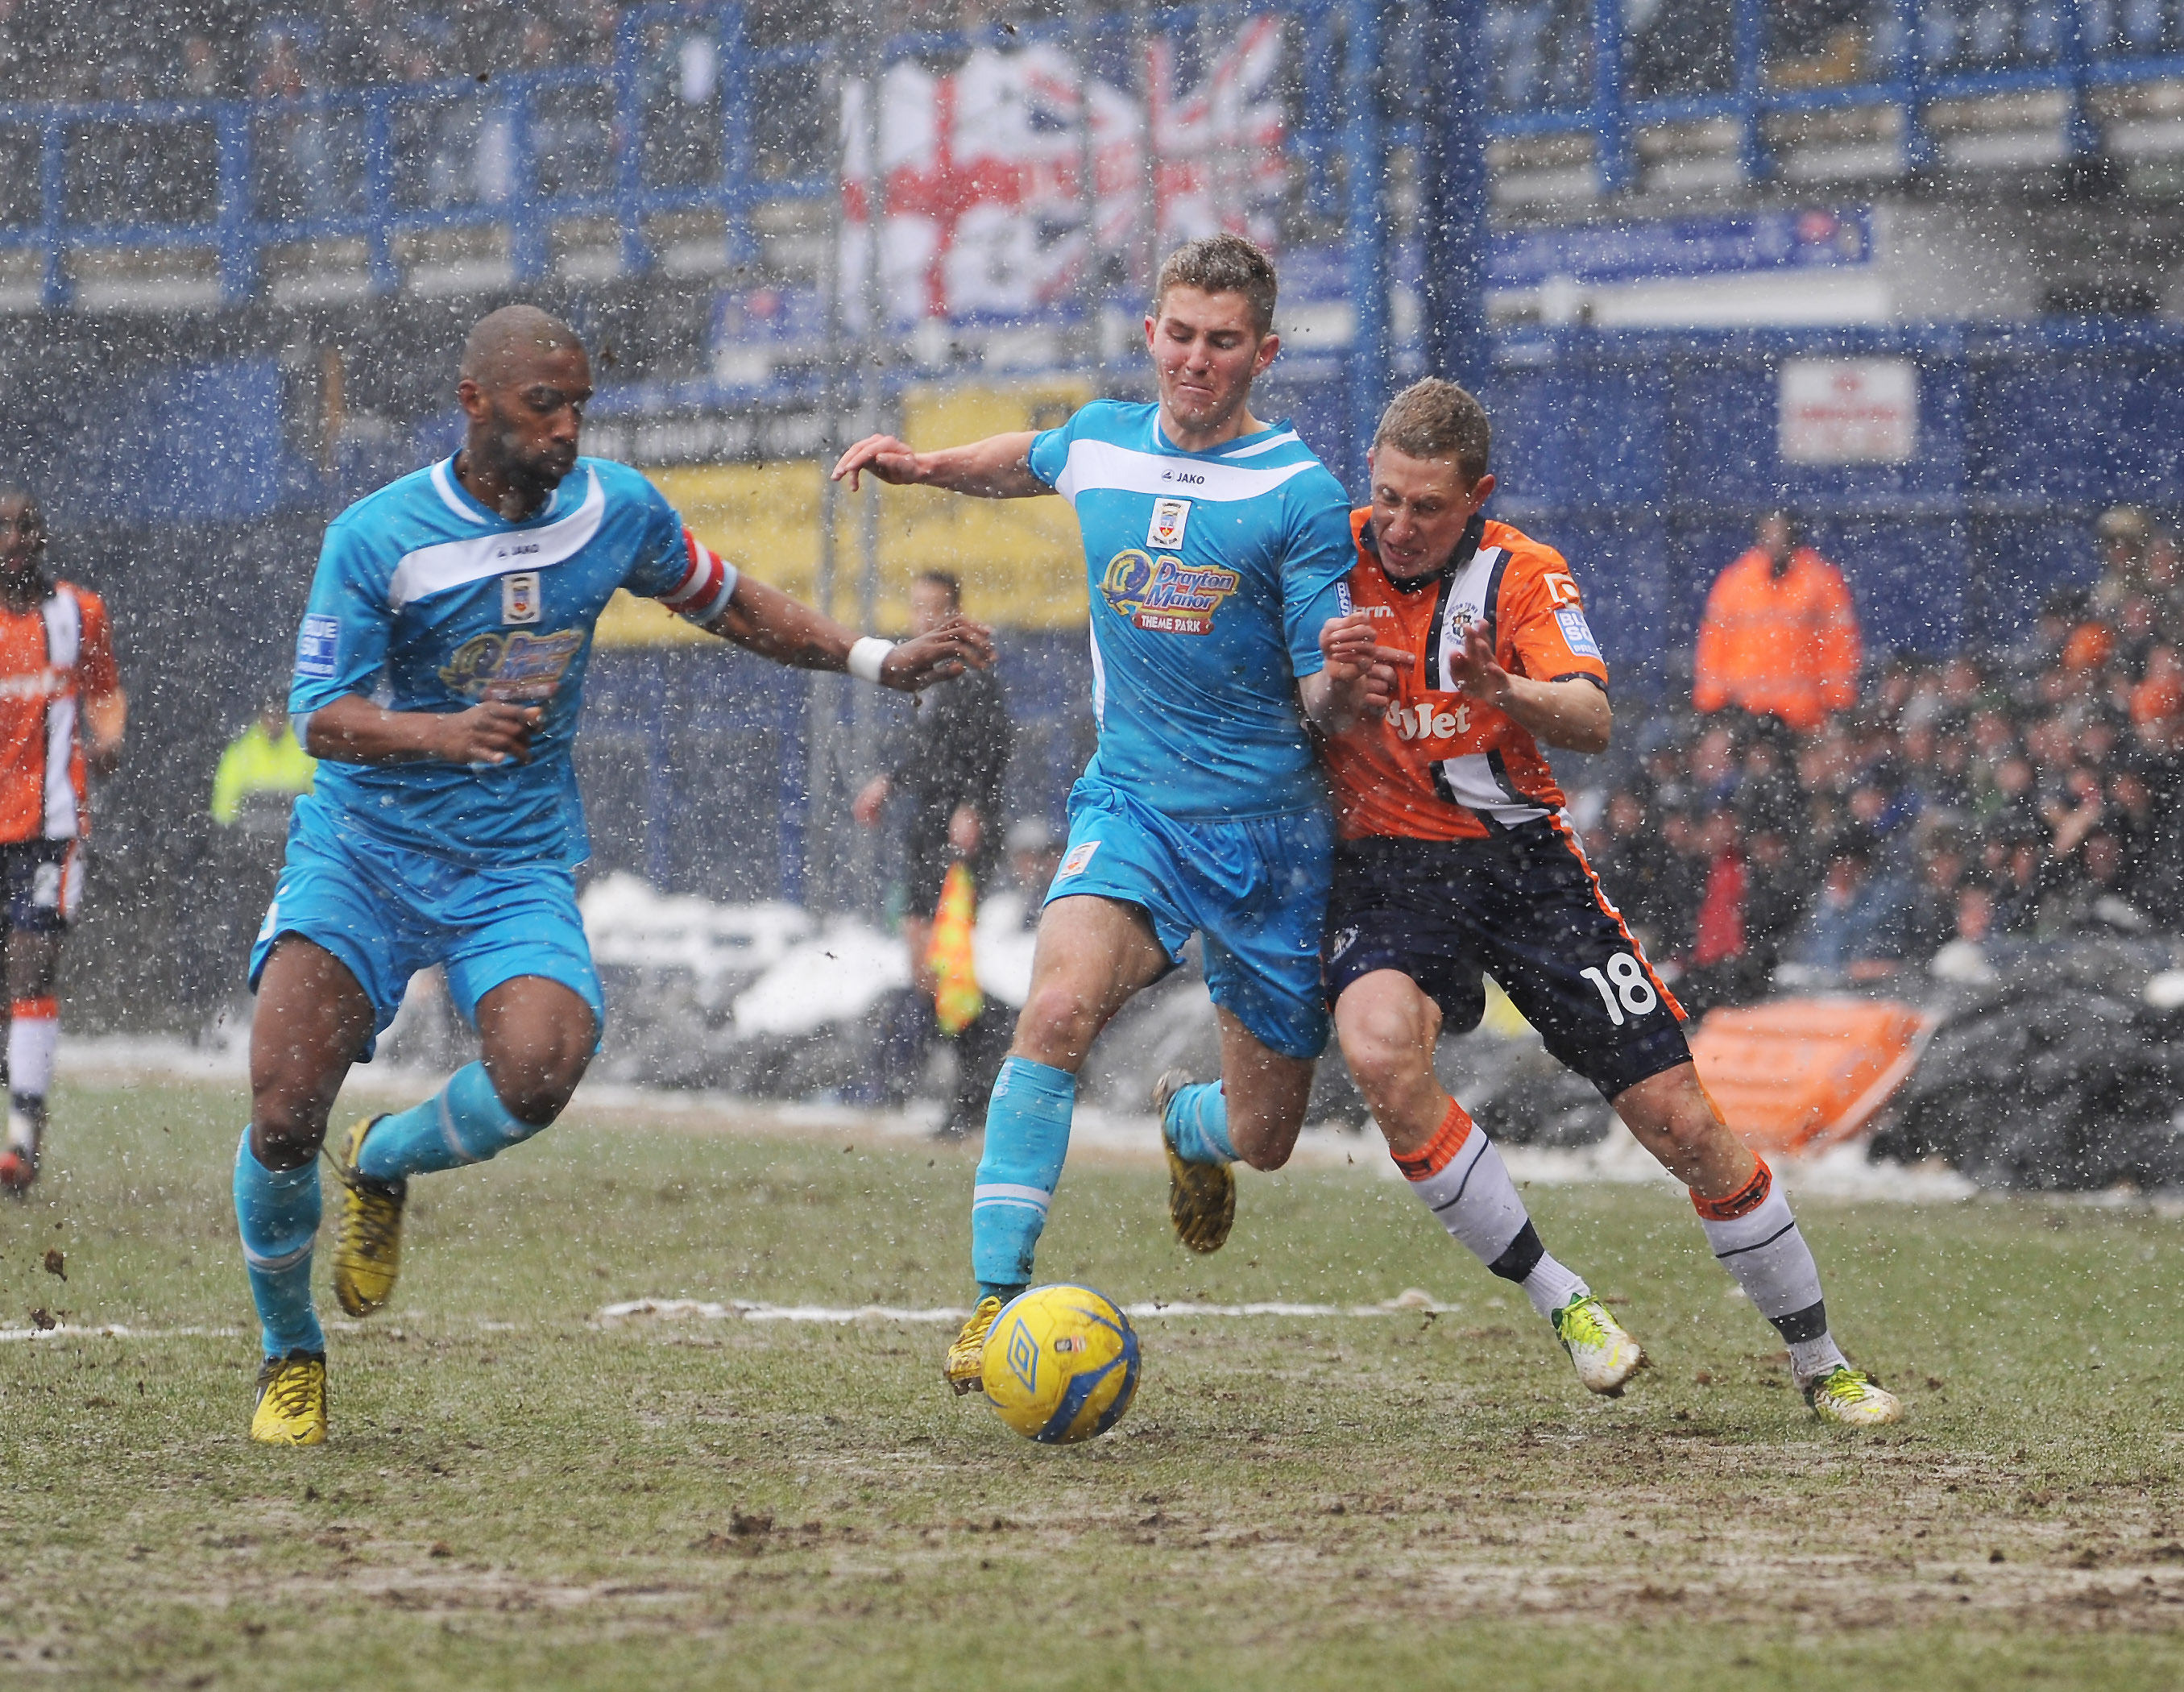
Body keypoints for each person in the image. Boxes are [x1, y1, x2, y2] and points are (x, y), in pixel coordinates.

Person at [238, 305, 993, 1445]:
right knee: (285, 1111)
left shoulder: (614, 510)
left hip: (511, 857)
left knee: (540, 1072)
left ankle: (385, 1156)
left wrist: (873, 660)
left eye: (581, 403)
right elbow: (321, 720)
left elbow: (731, 602)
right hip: (366, 851)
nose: (568, 426)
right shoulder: (377, 536)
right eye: (546, 404)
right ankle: (291, 1358)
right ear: (475, 403)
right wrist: (446, 735)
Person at [832, 234, 1383, 1394]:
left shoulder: (1297, 493)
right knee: (1056, 1012)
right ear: (1150, 336)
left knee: (1266, 1134)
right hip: (1131, 808)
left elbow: (1320, 703)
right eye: (1177, 334)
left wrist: (1344, 677)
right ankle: (992, 1306)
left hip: (1269, 836)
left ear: (1262, 352)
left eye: (1221, 341)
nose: (1194, 359)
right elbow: (1024, 458)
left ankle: (1190, 1131)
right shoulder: (1100, 441)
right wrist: (923, 465)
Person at [1315, 379, 1900, 1426]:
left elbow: (1586, 717)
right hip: (1389, 874)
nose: (1399, 526)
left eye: (1427, 507)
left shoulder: (1521, 573)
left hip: (1522, 871)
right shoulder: (1323, 550)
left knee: (1677, 1120)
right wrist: (1322, 694)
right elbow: (1264, 698)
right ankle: (1565, 1303)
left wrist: (1501, 691)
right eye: (1387, 499)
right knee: (1373, 1053)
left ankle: (1821, 1363)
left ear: (1476, 499)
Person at [852, 567, 1013, 1131]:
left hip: (957, 836)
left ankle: (979, 1085)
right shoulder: (930, 673)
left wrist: (973, 805)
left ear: (954, 614)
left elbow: (993, 746)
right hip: (924, 829)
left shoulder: (973, 671)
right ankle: (960, 1079)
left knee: (948, 966)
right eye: (915, 606)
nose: (921, 617)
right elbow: (929, 750)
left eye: (933, 608)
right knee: (925, 969)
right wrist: (888, 783)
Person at [0, 493, 123, 1197]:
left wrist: (108, 733)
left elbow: (104, 691)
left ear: (44, 536)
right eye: (4, 528)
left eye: (26, 527)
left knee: (33, 968)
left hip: (50, 828)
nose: (16, 539)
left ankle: (22, 1141)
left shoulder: (80, 613)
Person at [1692, 510, 1860, 733]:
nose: (1775, 542)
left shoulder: (1820, 581)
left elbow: (1839, 643)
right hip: (1747, 710)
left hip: (1804, 715)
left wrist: (1838, 702)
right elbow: (1714, 641)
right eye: (1769, 533)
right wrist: (1712, 702)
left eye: (1781, 533)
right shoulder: (1736, 581)